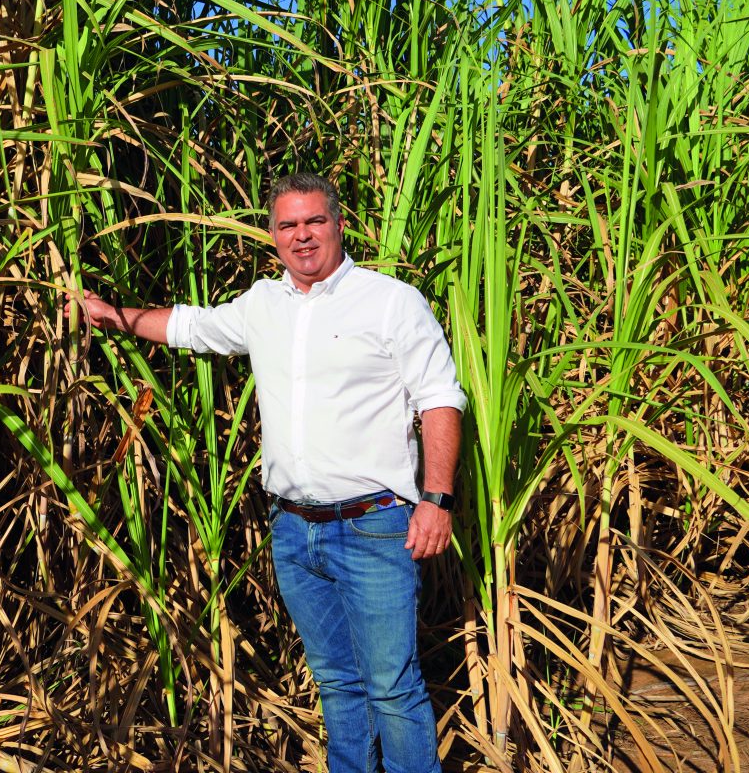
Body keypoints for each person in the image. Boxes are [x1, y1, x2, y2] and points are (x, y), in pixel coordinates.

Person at [79, 172, 465, 773]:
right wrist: (111, 315)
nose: (302, 235)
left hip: (376, 528)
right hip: (294, 531)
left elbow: (440, 399)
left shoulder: (391, 301)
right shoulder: (262, 305)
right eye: (288, 225)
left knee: (392, 687)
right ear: (272, 234)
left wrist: (436, 498)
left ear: (340, 224)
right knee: (337, 684)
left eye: (314, 221)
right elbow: (189, 327)